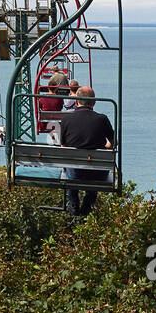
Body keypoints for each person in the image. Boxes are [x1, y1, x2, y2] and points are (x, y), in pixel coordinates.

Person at [59, 85, 114, 217]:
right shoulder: (102, 119)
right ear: (94, 102)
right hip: (97, 174)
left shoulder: (66, 119)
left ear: (76, 101)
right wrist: (106, 147)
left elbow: (63, 144)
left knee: (71, 167)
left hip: (75, 173)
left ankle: (73, 203)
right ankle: (87, 204)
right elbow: (113, 141)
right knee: (95, 167)